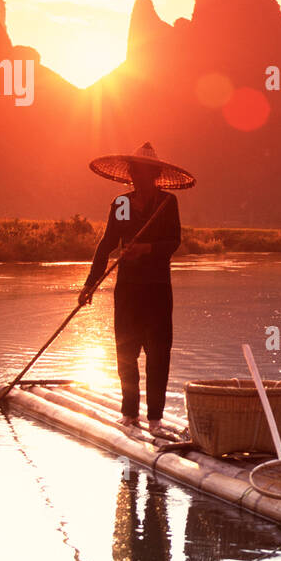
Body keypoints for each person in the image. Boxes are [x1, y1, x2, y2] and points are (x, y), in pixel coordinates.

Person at [79, 142, 195, 431]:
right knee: (125, 350)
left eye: (145, 172)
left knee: (158, 352)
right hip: (128, 288)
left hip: (157, 288)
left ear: (155, 175)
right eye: (136, 172)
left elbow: (173, 242)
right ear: (130, 174)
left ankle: (155, 417)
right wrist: (89, 285)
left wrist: (146, 249)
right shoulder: (122, 205)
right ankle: (129, 412)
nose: (139, 177)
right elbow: (107, 244)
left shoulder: (167, 204)